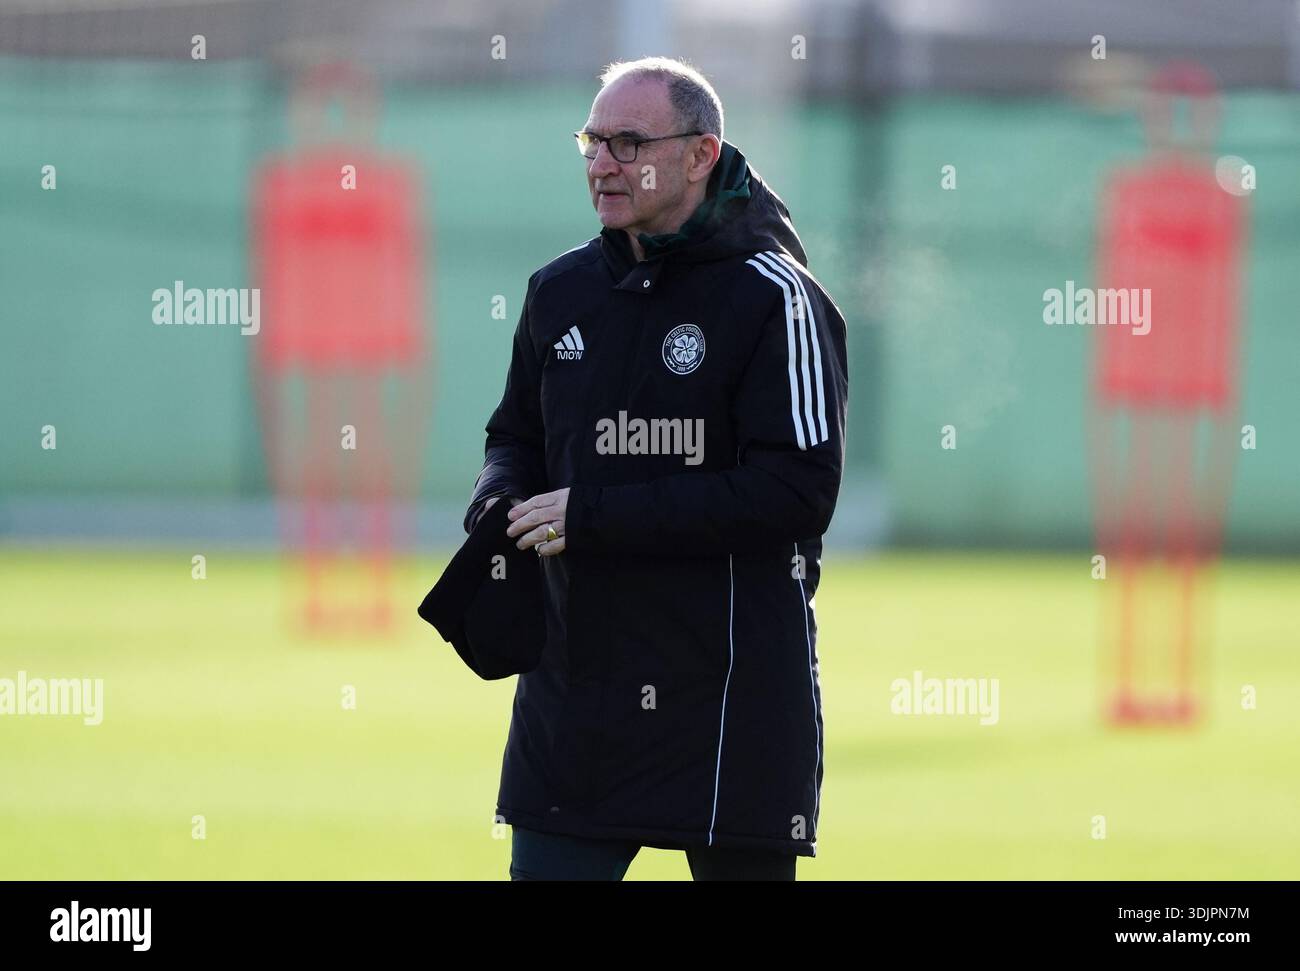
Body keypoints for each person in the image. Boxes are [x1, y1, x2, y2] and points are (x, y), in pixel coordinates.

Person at [464, 56, 849, 880]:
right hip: (574, 698)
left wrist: (594, 517)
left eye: (628, 142)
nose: (602, 162)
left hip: (730, 701)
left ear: (701, 154)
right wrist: (496, 501)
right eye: (592, 141)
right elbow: (514, 436)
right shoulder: (558, 291)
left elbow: (797, 491)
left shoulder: (776, 297)